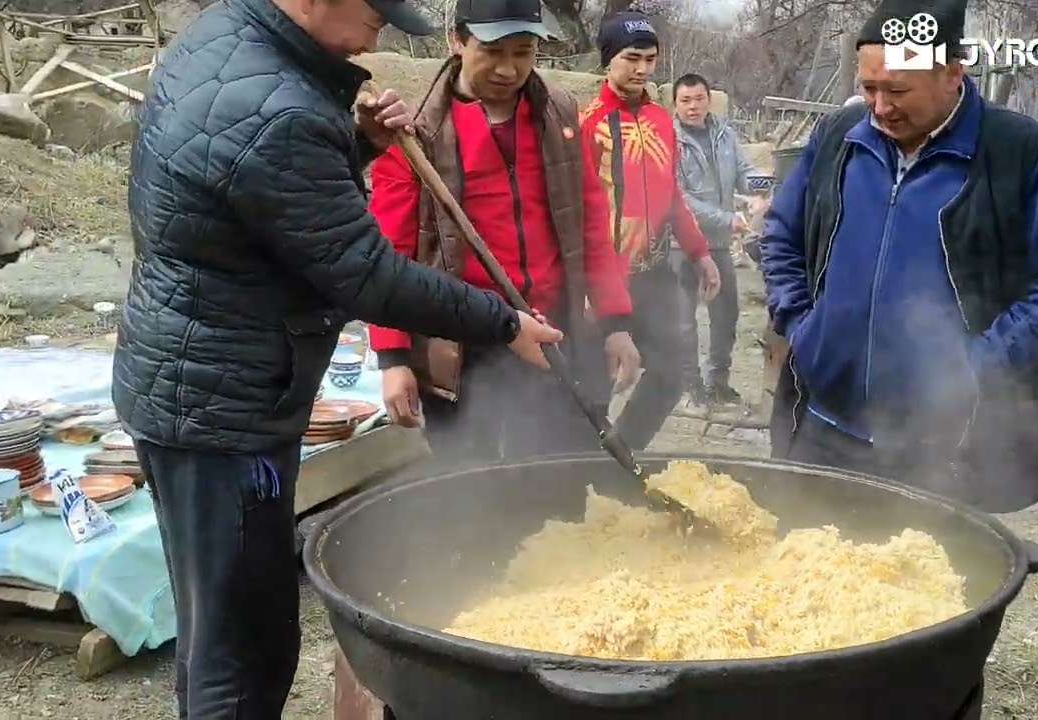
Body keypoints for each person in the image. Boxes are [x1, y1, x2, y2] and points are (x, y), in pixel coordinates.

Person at [113, 0, 563, 714]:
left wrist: (356, 145)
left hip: (198, 379)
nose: (380, 31)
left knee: (218, 633)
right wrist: (502, 322)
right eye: (375, 11)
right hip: (223, 408)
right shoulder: (276, 105)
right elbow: (366, 274)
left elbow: (263, 192)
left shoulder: (227, 35)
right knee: (245, 652)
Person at [761, 0, 1038, 516]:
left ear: (952, 73)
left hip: (946, 443)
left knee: (929, 583)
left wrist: (981, 363)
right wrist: (799, 323)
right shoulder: (841, 138)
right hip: (825, 427)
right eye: (869, 87)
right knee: (811, 575)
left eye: (898, 90)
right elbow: (781, 234)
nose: (880, 107)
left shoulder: (1017, 151)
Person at [366, 0, 641, 466]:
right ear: (458, 40)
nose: (508, 69)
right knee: (470, 487)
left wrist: (615, 323)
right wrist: (393, 359)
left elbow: (589, 221)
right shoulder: (416, 134)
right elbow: (389, 251)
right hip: (460, 339)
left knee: (558, 477)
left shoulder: (558, 115)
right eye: (492, 50)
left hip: (553, 331)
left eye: (523, 51)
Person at [580, 11, 719, 450]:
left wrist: (699, 252)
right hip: (606, 279)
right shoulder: (589, 123)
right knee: (599, 380)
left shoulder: (662, 120)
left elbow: (672, 193)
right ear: (608, 60)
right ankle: (580, 465)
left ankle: (621, 453)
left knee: (671, 372)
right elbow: (573, 211)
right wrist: (584, 285)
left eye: (650, 59)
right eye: (631, 58)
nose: (642, 69)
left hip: (655, 273)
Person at [672, 72, 758, 405]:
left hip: (719, 244)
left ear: (709, 100)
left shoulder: (726, 136)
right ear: (675, 104)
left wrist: (759, 193)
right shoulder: (669, 139)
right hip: (681, 244)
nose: (693, 106)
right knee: (684, 321)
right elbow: (679, 197)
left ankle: (717, 381)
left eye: (699, 99)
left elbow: (744, 172)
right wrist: (728, 217)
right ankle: (690, 387)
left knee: (727, 313)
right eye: (685, 100)